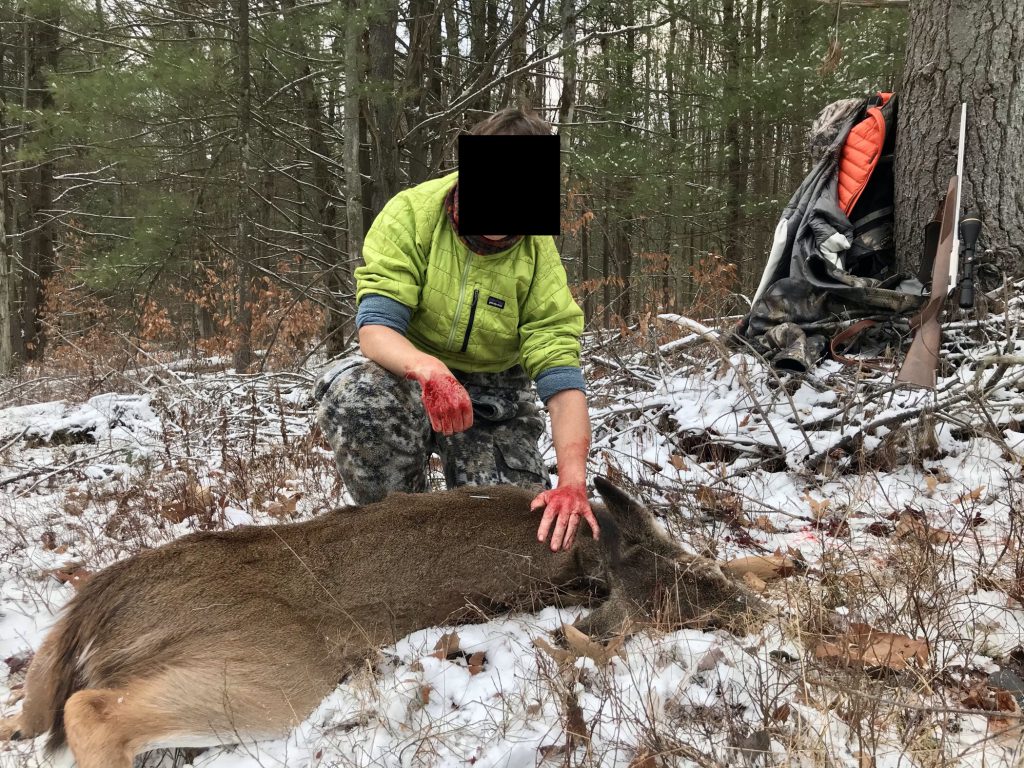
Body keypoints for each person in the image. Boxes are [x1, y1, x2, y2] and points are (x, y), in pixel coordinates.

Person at [314, 108, 597, 552]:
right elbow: (376, 330)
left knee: (516, 540)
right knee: (359, 398)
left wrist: (573, 481)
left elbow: (562, 381)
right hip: (408, 371)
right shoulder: (411, 214)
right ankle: (399, 535)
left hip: (494, 392)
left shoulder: (539, 259)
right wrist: (429, 370)